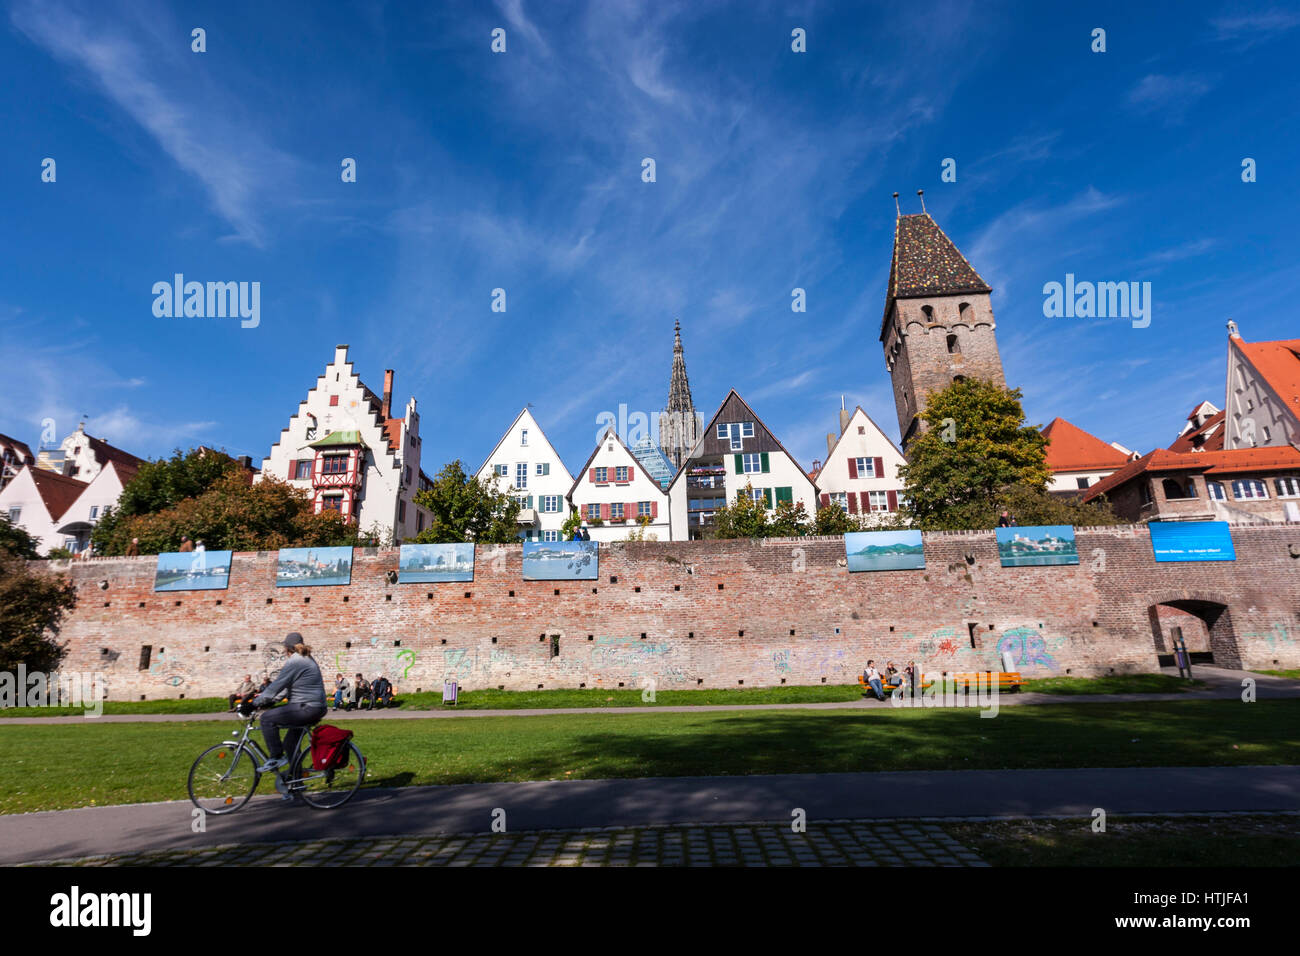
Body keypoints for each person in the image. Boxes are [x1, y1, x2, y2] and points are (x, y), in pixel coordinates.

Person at [239, 632, 327, 774]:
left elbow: (277, 685)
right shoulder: (305, 658)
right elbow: (285, 688)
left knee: (267, 719)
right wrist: (268, 702)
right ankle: (296, 781)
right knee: (290, 744)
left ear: (287, 648)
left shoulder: (296, 661)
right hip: (314, 707)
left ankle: (276, 757)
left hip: (306, 707)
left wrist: (253, 704)